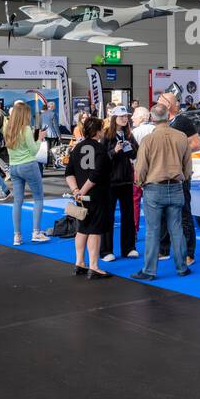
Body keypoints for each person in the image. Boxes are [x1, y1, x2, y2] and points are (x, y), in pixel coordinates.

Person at [132, 105, 192, 280]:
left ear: (152, 118)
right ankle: (182, 267)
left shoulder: (148, 140)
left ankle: (149, 271)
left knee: (152, 231)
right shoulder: (181, 137)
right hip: (176, 187)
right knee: (177, 229)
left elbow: (141, 167)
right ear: (168, 117)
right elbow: (188, 166)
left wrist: (140, 183)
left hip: (154, 189)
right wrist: (184, 178)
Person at [65, 116, 113, 279]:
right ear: (98, 131)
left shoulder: (77, 148)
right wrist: (83, 190)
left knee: (82, 228)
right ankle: (94, 265)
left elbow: (69, 173)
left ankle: (79, 262)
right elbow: (97, 174)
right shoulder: (101, 150)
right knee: (95, 230)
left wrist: (76, 190)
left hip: (80, 197)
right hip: (97, 195)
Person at [159, 91, 200, 264]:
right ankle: (164, 249)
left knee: (184, 213)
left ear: (169, 104)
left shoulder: (182, 121)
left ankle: (189, 252)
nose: (157, 102)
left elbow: (196, 144)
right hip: (163, 174)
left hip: (180, 175)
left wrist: (176, 151)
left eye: (160, 100)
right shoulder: (162, 122)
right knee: (163, 213)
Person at [2, 101, 50, 247]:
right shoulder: (26, 129)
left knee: (17, 201)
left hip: (14, 167)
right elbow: (34, 150)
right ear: (24, 115)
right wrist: (40, 139)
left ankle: (17, 235)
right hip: (29, 165)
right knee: (38, 198)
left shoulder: (7, 129)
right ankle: (36, 232)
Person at [104, 107, 138, 259]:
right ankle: (106, 251)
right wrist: (114, 151)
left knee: (128, 216)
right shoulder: (106, 136)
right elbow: (101, 159)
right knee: (108, 216)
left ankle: (129, 248)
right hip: (110, 182)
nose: (125, 119)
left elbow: (136, 154)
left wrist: (129, 150)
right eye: (121, 116)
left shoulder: (129, 135)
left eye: (126, 116)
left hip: (126, 181)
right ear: (114, 118)